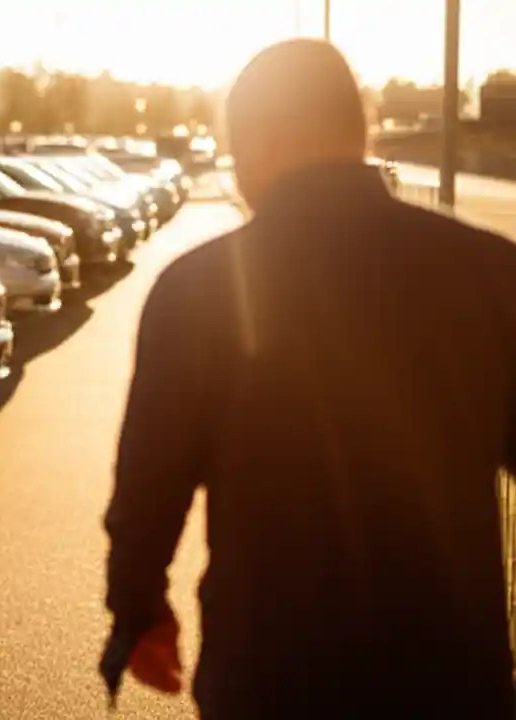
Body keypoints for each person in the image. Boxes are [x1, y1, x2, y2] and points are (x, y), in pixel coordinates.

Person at [100, 39, 516, 719]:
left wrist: (138, 611)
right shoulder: (493, 274)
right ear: (361, 131)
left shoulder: (199, 289)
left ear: (259, 140)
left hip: (272, 676)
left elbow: (150, 483)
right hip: (451, 678)